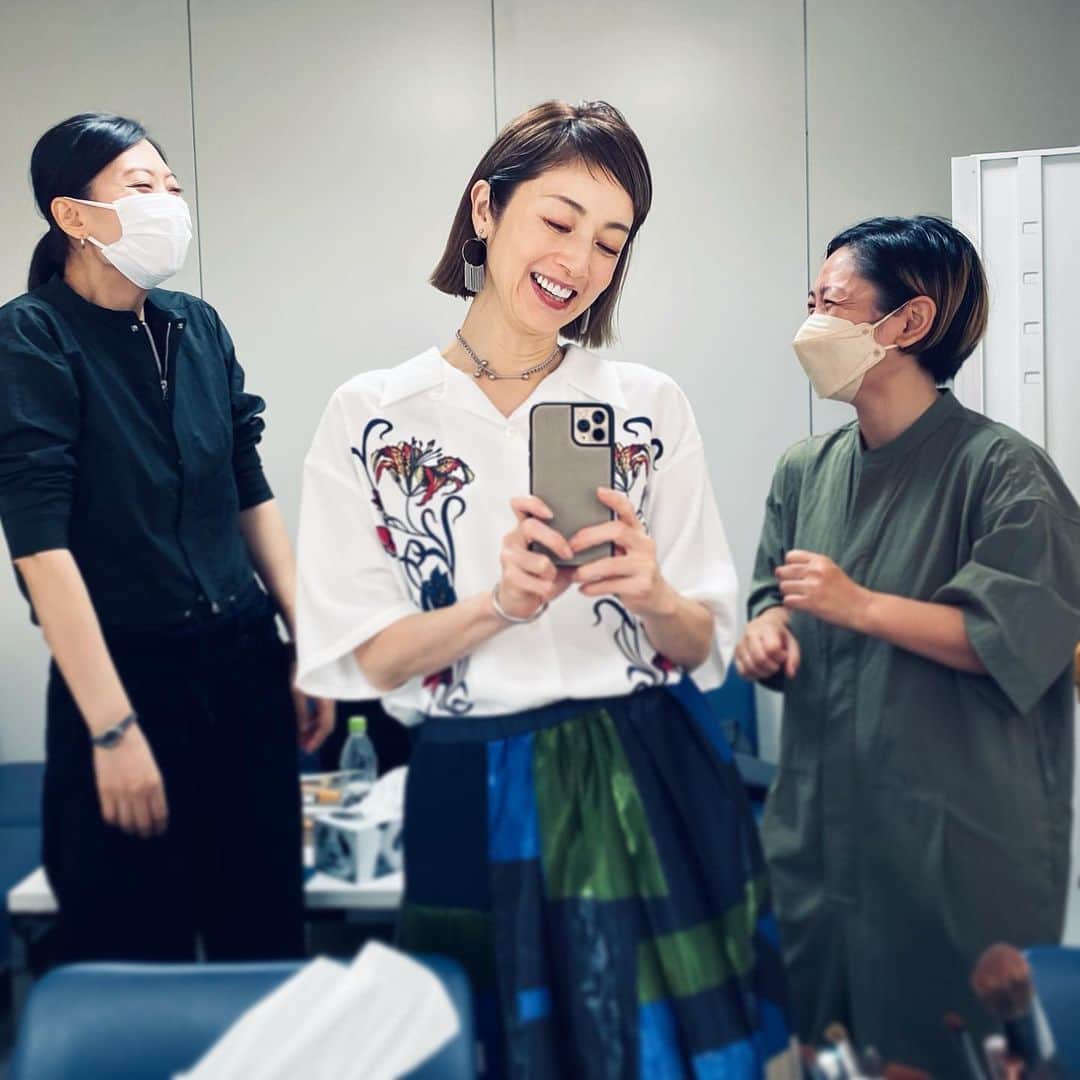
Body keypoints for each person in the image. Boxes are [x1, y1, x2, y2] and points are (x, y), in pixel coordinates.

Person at [297, 100, 796, 1077]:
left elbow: (702, 642)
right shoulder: (375, 416)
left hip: (647, 764)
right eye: (559, 221)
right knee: (485, 1051)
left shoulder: (646, 406)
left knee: (663, 1057)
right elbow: (368, 660)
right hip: (465, 775)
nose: (580, 261)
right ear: (486, 209)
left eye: (611, 242)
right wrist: (498, 606)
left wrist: (651, 591)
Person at [736, 215, 1080, 1075]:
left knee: (953, 1052)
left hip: (951, 854)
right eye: (810, 301)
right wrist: (766, 633)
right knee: (831, 1053)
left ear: (910, 322)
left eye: (832, 303)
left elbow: (1016, 639)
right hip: (823, 837)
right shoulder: (804, 470)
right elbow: (772, 597)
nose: (811, 322)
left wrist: (859, 606)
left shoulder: (1004, 472)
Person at [0, 113, 334, 963]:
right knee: (131, 945)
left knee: (264, 934)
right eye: (140, 186)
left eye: (172, 187)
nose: (168, 204)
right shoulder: (32, 336)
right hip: (125, 676)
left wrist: (306, 639)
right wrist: (112, 732)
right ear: (72, 215)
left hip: (244, 660)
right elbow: (40, 547)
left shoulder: (198, 325)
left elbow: (248, 488)